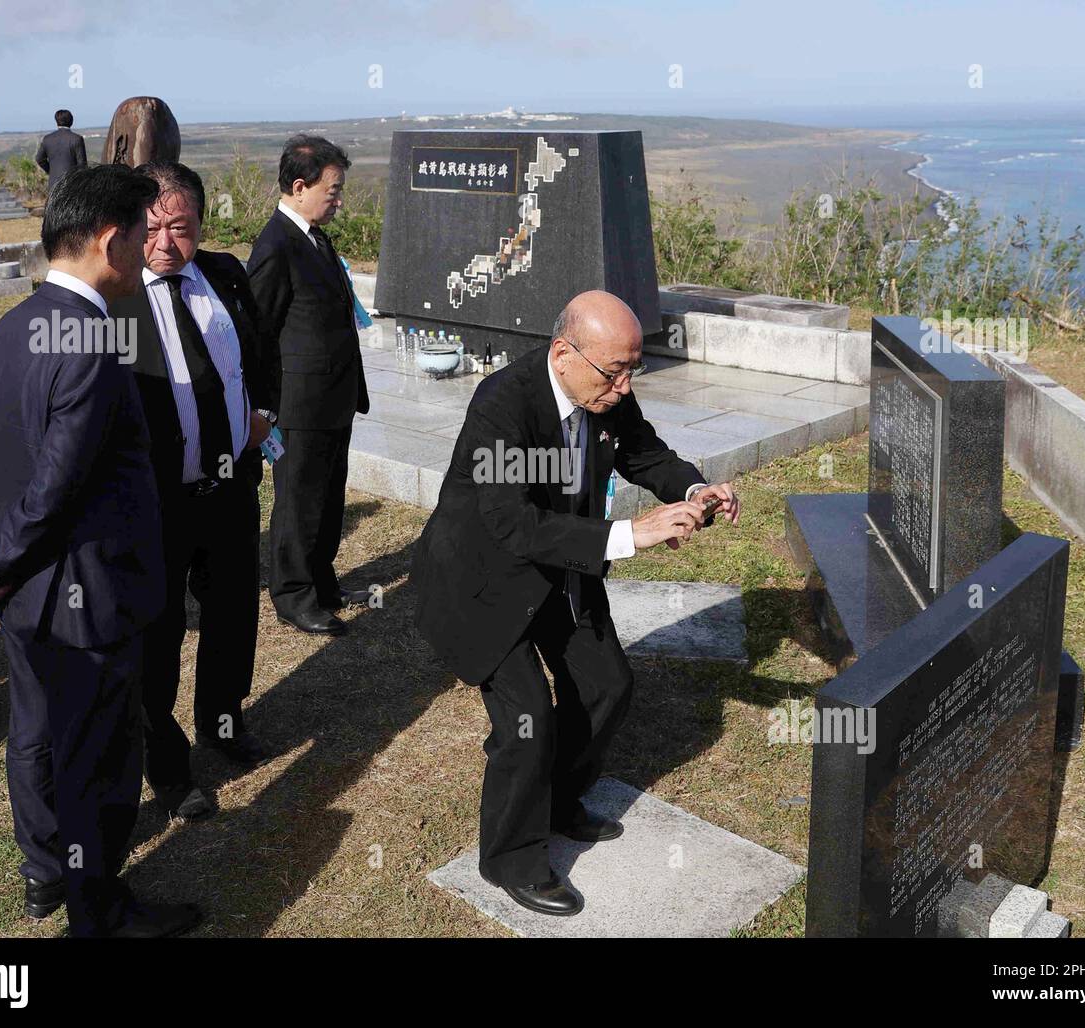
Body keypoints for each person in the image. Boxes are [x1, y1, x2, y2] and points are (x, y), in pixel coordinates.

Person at [411, 291, 741, 916]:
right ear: (564, 354)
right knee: (528, 719)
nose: (624, 386)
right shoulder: (502, 404)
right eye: (614, 371)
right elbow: (512, 524)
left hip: (562, 568)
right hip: (484, 583)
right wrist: (632, 535)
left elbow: (644, 453)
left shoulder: (605, 388)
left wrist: (695, 488)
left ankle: (560, 802)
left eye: (632, 370)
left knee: (607, 686)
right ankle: (511, 858)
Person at [0, 164, 201, 938]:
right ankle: (100, 912)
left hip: (23, 595)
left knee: (34, 733)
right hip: (87, 596)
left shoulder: (12, 327)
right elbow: (55, 489)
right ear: (111, 239)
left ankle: (44, 873)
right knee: (98, 759)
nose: (150, 252)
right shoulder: (93, 341)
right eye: (140, 237)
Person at [107, 160, 277, 819]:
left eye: (181, 227)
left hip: (231, 488)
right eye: (152, 228)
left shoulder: (225, 272)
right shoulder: (114, 299)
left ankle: (224, 723)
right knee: (159, 636)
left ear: (201, 224)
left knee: (234, 616)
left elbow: (259, 351)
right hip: (157, 502)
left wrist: (266, 412)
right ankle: (168, 769)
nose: (165, 244)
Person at [247, 134, 370, 636]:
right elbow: (258, 332)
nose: (338, 200)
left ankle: (323, 581)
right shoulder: (276, 244)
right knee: (299, 501)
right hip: (298, 403)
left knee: (328, 497)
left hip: (333, 397)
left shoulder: (316, 236)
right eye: (333, 190)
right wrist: (265, 408)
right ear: (300, 186)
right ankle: (294, 594)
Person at [34, 109, 87, 193]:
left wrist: (51, 171)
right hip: (72, 185)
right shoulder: (77, 139)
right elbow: (82, 165)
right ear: (71, 121)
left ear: (56, 122)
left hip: (53, 185)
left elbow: (39, 159)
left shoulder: (47, 139)